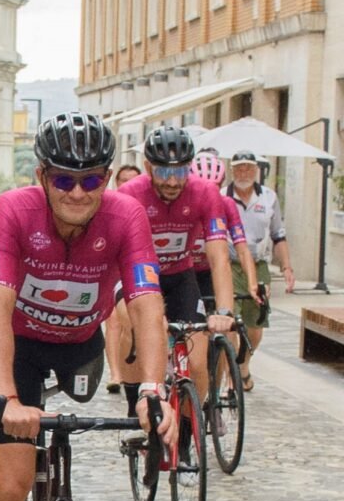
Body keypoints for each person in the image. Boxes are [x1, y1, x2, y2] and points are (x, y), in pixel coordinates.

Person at [0, 112, 177, 501]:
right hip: (18, 350)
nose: (78, 192)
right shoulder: (13, 212)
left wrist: (153, 388)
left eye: (92, 179)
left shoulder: (126, 216)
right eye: (64, 179)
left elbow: (146, 304)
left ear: (108, 178)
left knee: (62, 430)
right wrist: (5, 398)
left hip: (80, 348)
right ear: (42, 175)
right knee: (13, 481)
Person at [119, 125, 235, 403]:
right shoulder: (129, 193)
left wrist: (224, 311)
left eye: (181, 171)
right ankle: (136, 408)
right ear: (148, 168)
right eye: (163, 171)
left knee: (197, 362)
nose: (172, 181)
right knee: (137, 333)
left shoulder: (205, 192)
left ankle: (185, 434)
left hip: (181, 276)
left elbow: (219, 257)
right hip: (137, 279)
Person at [226, 150, 295, 390]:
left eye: (248, 167)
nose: (243, 172)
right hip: (230, 265)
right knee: (230, 319)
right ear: (232, 170)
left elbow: (279, 234)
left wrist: (286, 266)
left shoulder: (268, 198)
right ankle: (232, 371)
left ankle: (244, 363)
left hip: (259, 264)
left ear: (256, 170)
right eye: (238, 167)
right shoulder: (221, 196)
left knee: (256, 323)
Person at [189, 152, 259, 331]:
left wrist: (253, 284)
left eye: (215, 187)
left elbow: (242, 249)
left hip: (209, 272)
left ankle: (229, 357)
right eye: (204, 187)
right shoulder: (184, 203)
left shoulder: (226, 204)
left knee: (227, 324)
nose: (210, 194)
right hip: (184, 272)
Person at [103, 163, 143, 393]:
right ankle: (116, 373)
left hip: (138, 271)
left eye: (133, 180)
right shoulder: (110, 207)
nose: (127, 184)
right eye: (123, 180)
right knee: (114, 321)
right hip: (115, 272)